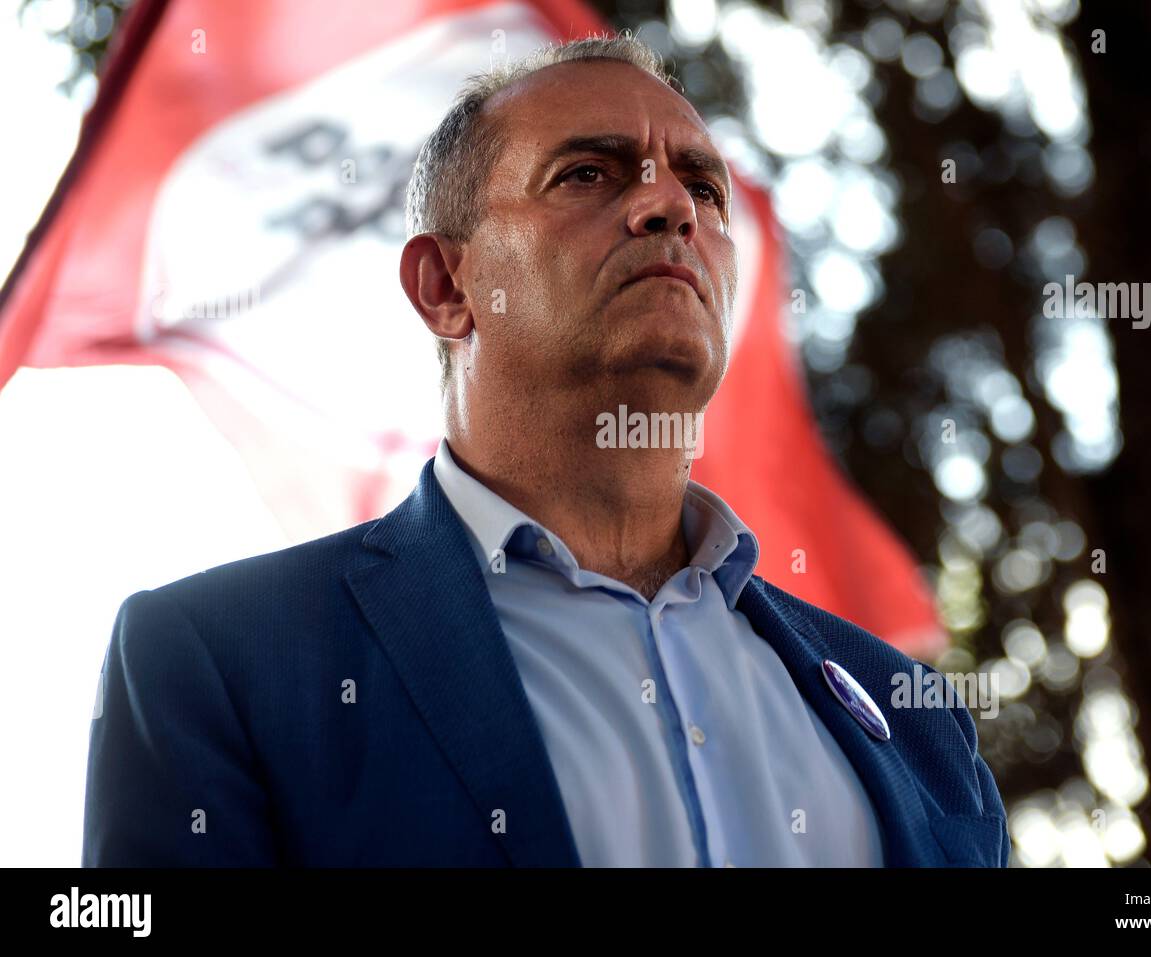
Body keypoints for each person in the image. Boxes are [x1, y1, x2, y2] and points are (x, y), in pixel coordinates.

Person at [82, 32, 1008, 868]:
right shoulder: (220, 664)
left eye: (703, 186)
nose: (669, 205)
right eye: (588, 175)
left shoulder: (917, 719)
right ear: (446, 284)